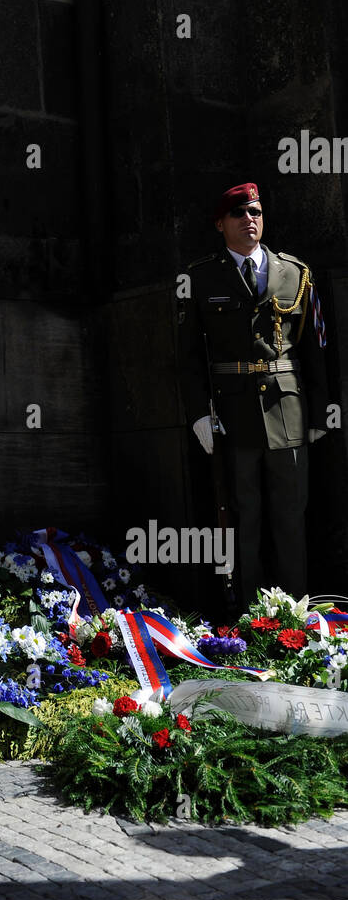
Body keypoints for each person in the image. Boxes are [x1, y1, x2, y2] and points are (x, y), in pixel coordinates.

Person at [177, 182, 329, 605]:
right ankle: (248, 617)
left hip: (288, 408)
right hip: (233, 410)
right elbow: (188, 355)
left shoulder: (296, 273)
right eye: (240, 214)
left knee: (290, 517)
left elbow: (314, 350)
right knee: (244, 516)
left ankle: (295, 614)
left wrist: (318, 413)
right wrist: (198, 414)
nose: (250, 220)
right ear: (220, 224)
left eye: (256, 212)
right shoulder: (198, 277)